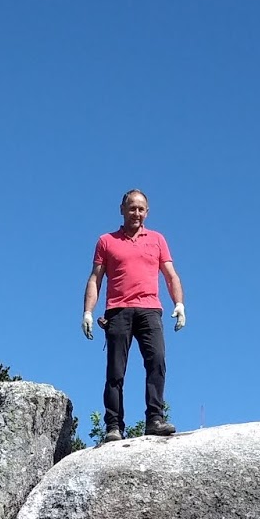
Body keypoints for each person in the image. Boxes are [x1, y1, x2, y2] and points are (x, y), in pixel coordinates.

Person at [82, 189, 186, 441]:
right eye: (132, 208)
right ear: (122, 209)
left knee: (157, 362)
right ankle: (114, 426)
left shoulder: (157, 239)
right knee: (116, 371)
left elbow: (170, 275)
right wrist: (88, 311)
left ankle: (155, 419)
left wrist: (179, 303)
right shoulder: (107, 241)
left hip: (150, 309)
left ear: (147, 212)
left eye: (141, 209)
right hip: (118, 310)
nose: (136, 213)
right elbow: (96, 278)